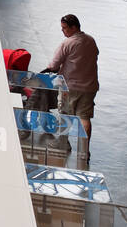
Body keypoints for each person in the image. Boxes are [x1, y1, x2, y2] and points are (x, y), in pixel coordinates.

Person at [41, 13, 99, 148]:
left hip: (70, 87)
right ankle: (84, 149)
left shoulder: (67, 43)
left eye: (64, 28)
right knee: (84, 118)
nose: (62, 31)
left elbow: (53, 65)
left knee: (65, 115)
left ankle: (62, 143)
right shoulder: (91, 40)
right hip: (89, 87)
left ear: (74, 27)